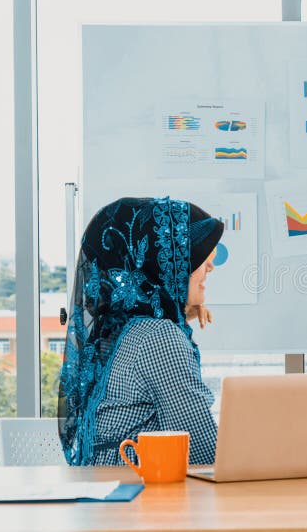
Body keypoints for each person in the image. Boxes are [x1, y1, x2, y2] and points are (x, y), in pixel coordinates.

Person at [58, 197, 224, 466]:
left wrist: (179, 317)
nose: (210, 267)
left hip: (110, 498)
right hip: (136, 499)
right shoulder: (158, 337)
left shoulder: (118, 329)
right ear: (162, 265)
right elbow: (202, 450)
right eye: (195, 257)